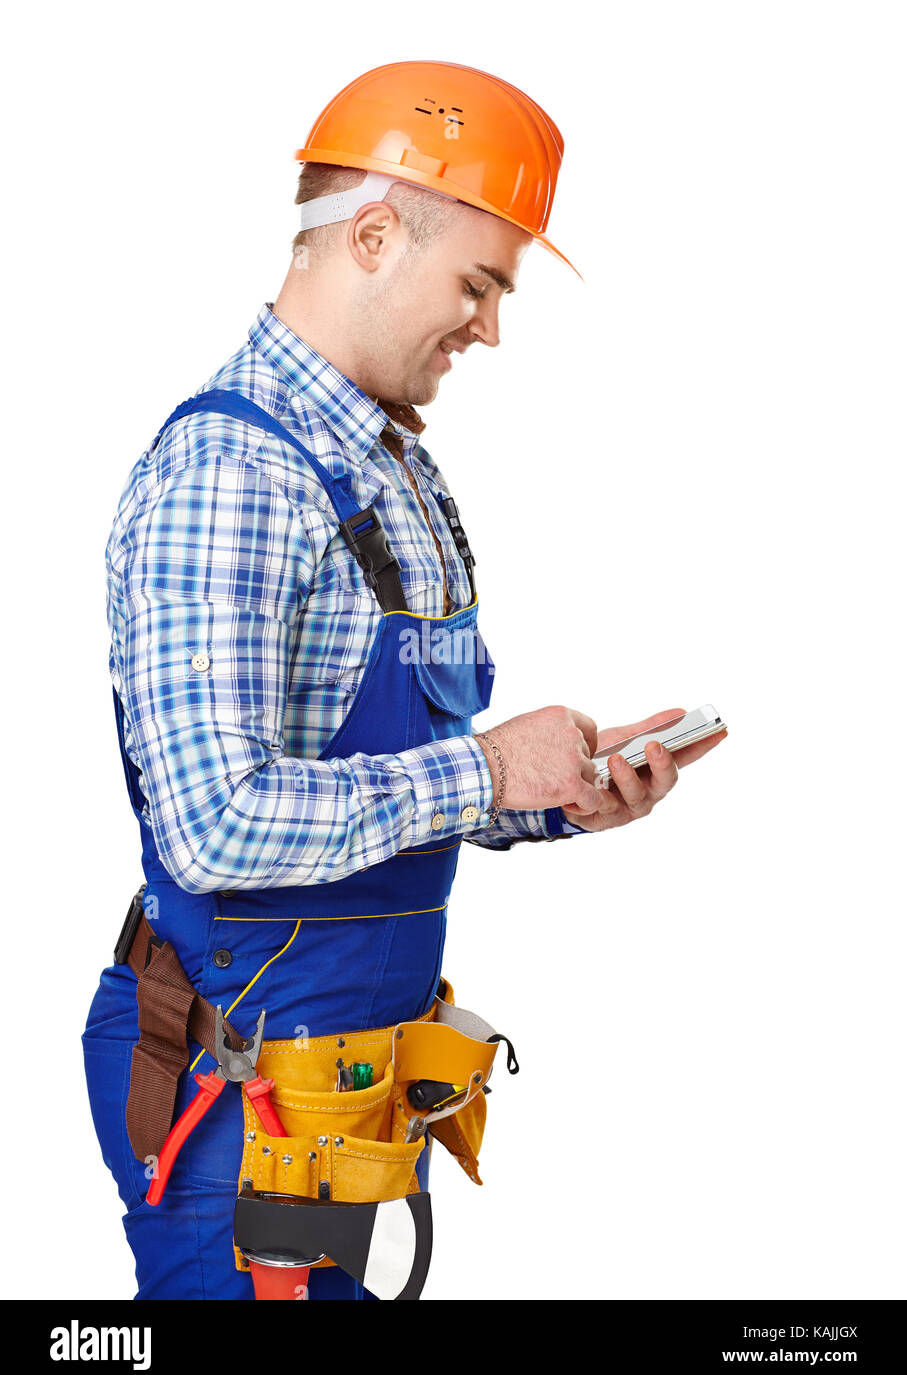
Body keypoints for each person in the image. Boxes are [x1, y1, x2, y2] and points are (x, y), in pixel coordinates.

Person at [82, 59, 726, 1302]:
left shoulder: (392, 469)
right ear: (373, 233)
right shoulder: (233, 469)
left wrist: (552, 792)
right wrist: (483, 762)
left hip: (352, 1097)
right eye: (478, 283)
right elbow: (215, 824)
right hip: (241, 1105)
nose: (489, 326)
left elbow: (378, 784)